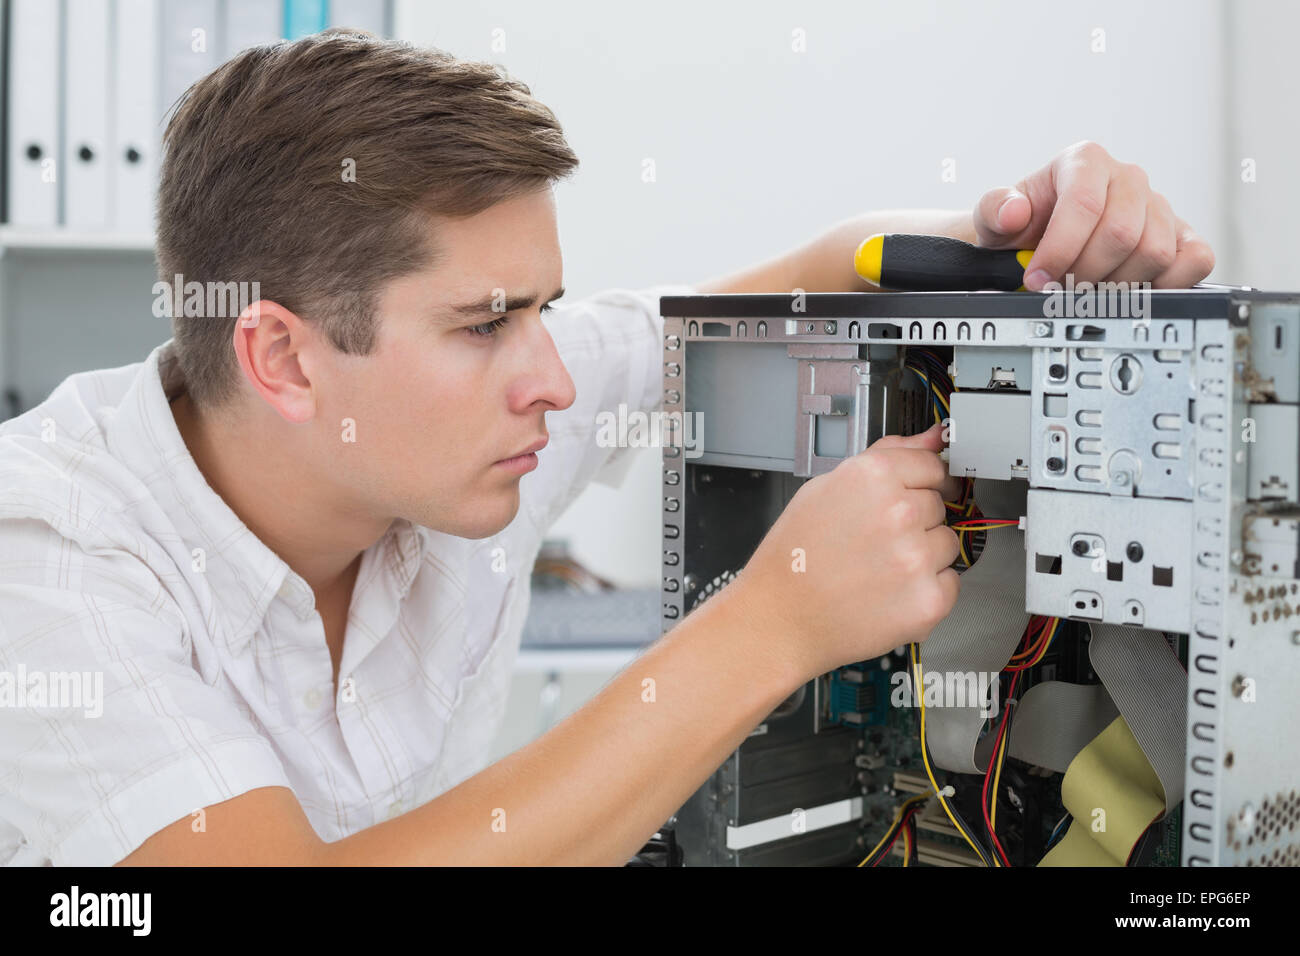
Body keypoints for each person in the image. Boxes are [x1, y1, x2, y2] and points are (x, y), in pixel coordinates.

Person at [0, 29, 1214, 866]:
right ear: (282, 358)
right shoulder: (50, 560)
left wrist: (1031, 230)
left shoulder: (458, 418)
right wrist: (772, 622)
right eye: (486, 323)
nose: (557, 376)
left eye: (544, 305)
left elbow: (817, 268)